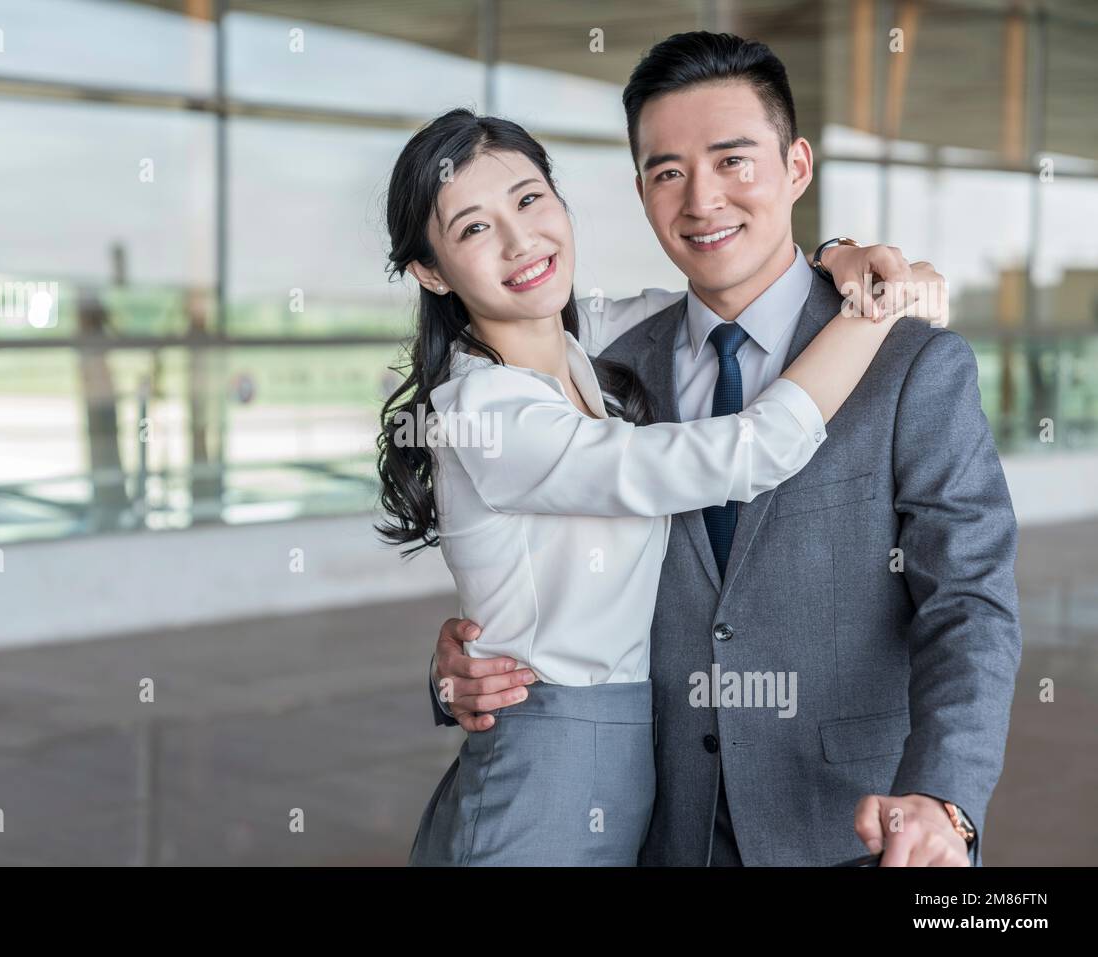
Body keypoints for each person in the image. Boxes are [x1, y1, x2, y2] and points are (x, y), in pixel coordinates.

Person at [425, 32, 1021, 868]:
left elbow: (970, 601)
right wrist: (462, 669)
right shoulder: (605, 368)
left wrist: (943, 795)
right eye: (669, 172)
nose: (703, 201)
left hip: (854, 827)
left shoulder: (910, 362)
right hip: (660, 829)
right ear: (641, 192)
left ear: (797, 168)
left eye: (735, 161)